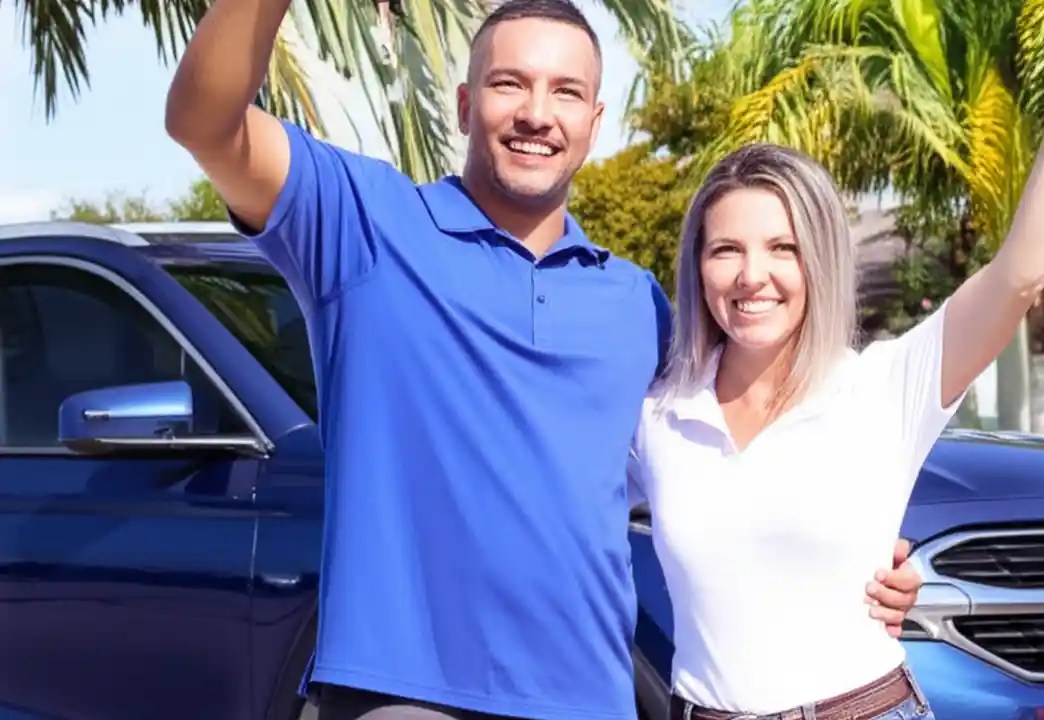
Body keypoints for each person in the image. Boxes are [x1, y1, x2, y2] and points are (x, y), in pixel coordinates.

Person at [164, 1, 924, 718]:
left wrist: (852, 552)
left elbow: (731, 449)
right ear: (465, 106)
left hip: (588, 694)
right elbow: (204, 121)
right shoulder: (363, 226)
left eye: (566, 92)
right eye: (509, 84)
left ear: (593, 122)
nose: (536, 112)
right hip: (404, 691)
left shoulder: (637, 303)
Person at [626, 1, 1044, 719]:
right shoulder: (659, 416)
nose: (750, 276)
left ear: (820, 260)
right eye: (725, 249)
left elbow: (1020, 276)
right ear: (697, 267)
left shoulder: (884, 386)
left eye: (782, 248)